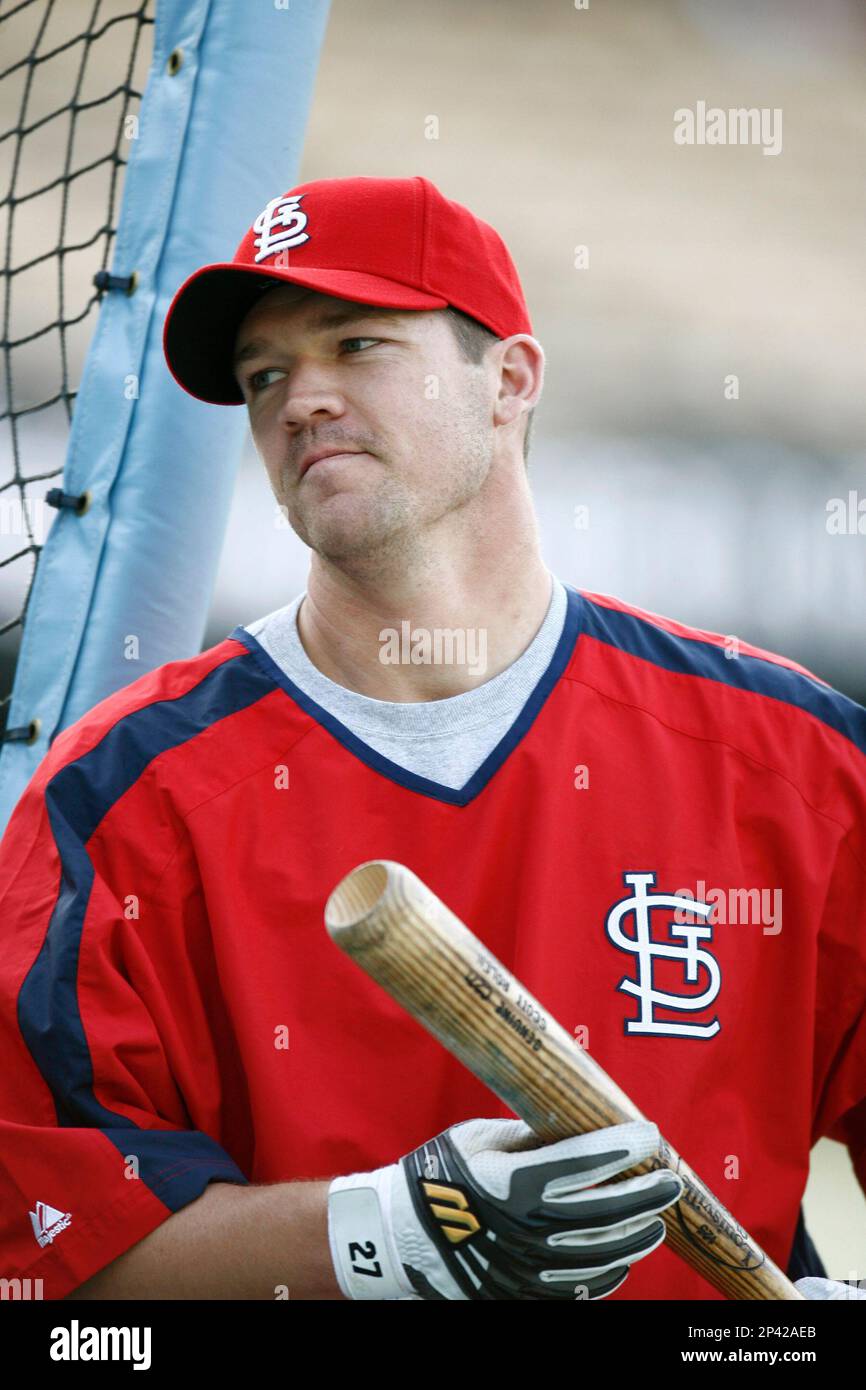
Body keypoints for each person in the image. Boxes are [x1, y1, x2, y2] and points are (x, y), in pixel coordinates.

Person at [0, 175, 863, 1301]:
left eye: (355, 345)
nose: (299, 399)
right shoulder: (123, 796)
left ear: (508, 379)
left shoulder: (792, 759)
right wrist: (389, 1232)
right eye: (265, 376)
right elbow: (61, 1269)